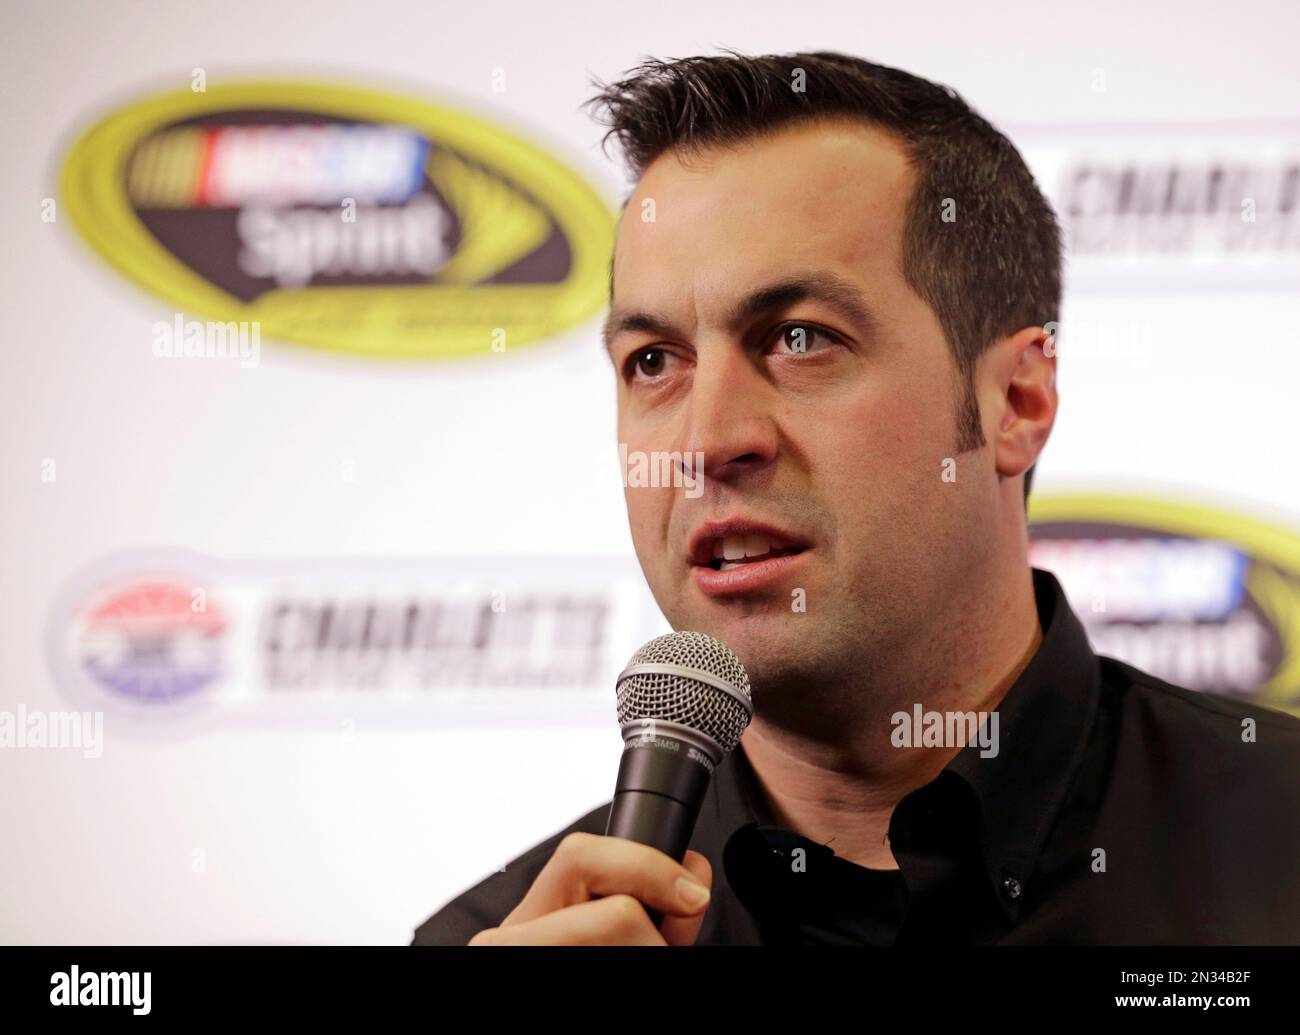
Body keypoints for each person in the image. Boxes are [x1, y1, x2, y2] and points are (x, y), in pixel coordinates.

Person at [411, 49, 1300, 946]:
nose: (706, 443)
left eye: (800, 338)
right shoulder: (494, 937)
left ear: (1017, 401)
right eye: (654, 361)